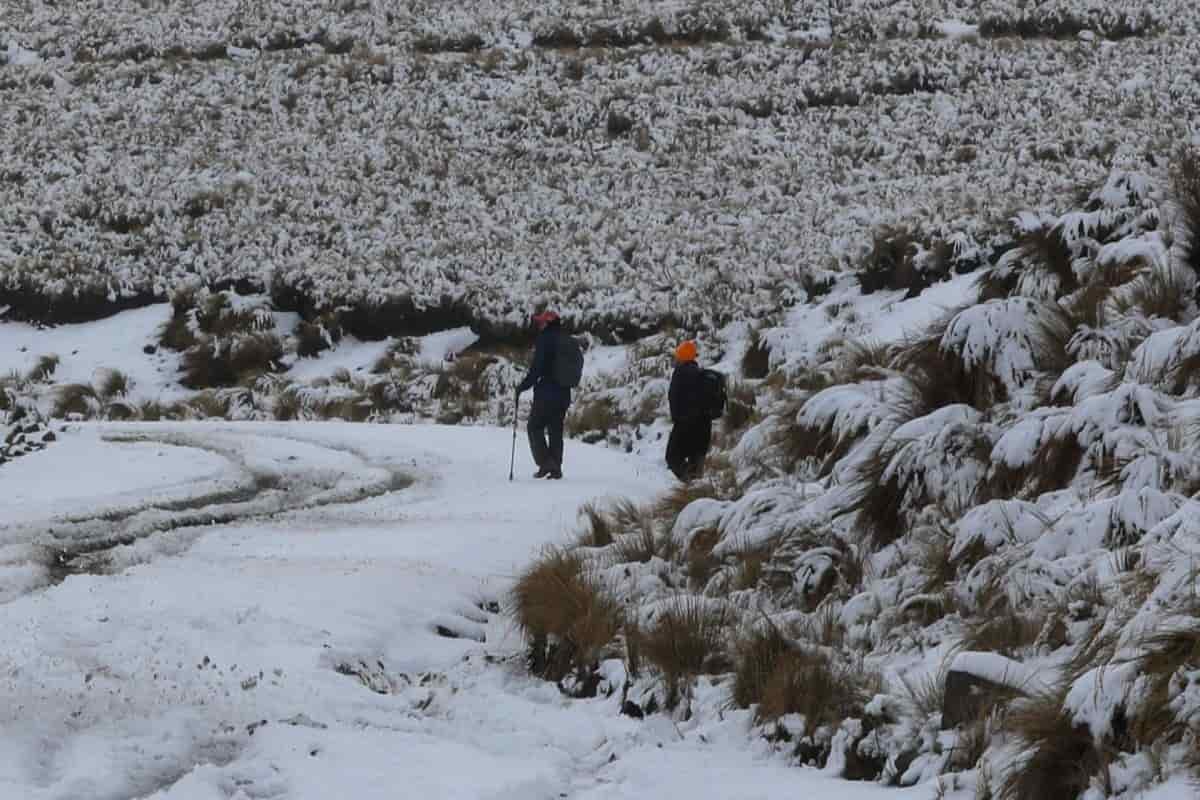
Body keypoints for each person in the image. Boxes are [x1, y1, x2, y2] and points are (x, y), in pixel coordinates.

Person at [516, 310, 571, 479]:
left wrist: (521, 387)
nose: (539, 325)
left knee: (534, 427)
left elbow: (536, 371)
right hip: (564, 393)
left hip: (546, 392)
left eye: (541, 323)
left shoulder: (544, 340)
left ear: (548, 324)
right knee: (555, 430)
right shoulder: (567, 340)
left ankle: (546, 463)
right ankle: (555, 468)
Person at [666, 339, 712, 482]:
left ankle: (691, 485)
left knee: (672, 458)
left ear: (681, 357)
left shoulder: (680, 373)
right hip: (705, 427)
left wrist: (678, 420)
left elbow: (674, 399)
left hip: (685, 426)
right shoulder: (701, 374)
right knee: (696, 462)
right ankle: (697, 493)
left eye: (678, 355)